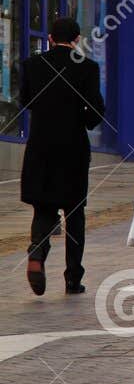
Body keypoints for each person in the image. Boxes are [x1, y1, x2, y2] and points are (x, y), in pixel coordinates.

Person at [20, 17, 105, 296]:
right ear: (77, 39)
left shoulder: (32, 66)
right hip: (72, 149)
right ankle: (72, 278)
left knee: (44, 206)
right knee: (75, 213)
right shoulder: (88, 68)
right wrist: (79, 117)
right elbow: (95, 113)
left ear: (50, 38)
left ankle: (37, 251)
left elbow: (26, 102)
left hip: (40, 147)